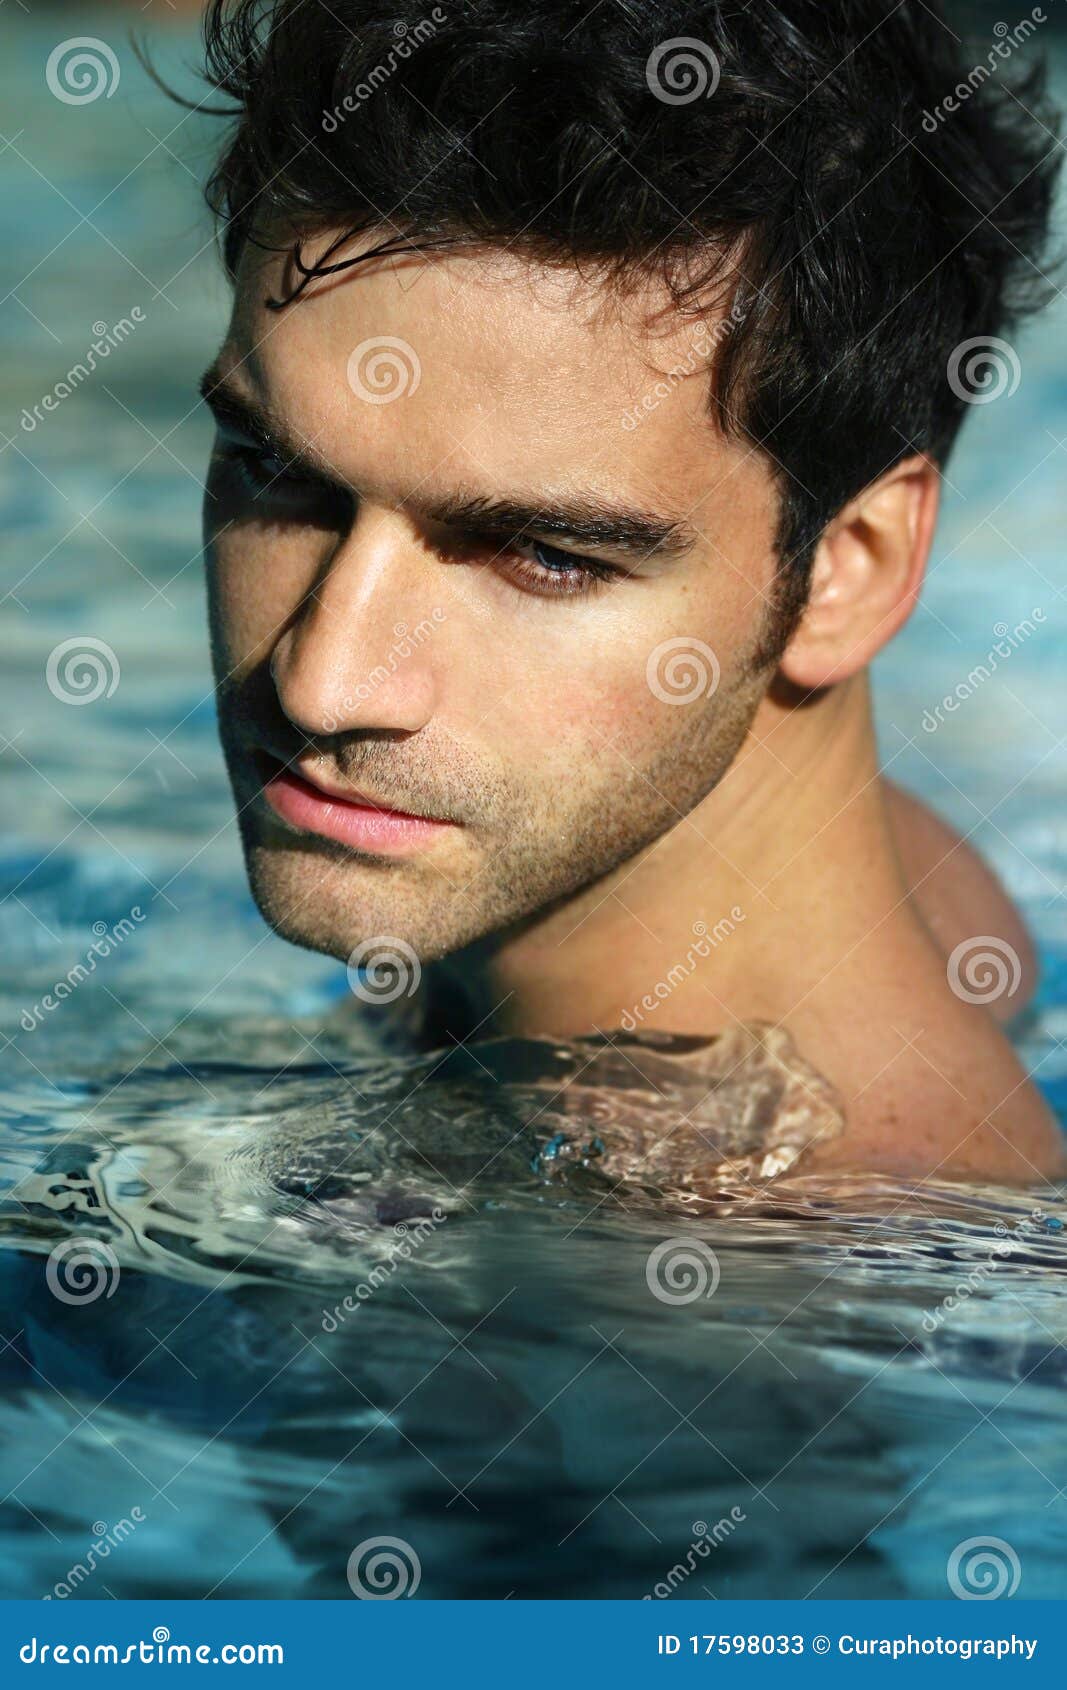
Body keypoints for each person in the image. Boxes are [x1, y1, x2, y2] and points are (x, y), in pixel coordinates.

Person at [192, 0, 1065, 1183]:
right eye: (273, 471)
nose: (321, 680)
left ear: (845, 573)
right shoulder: (919, 886)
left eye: (547, 555)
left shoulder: (744, 1301)